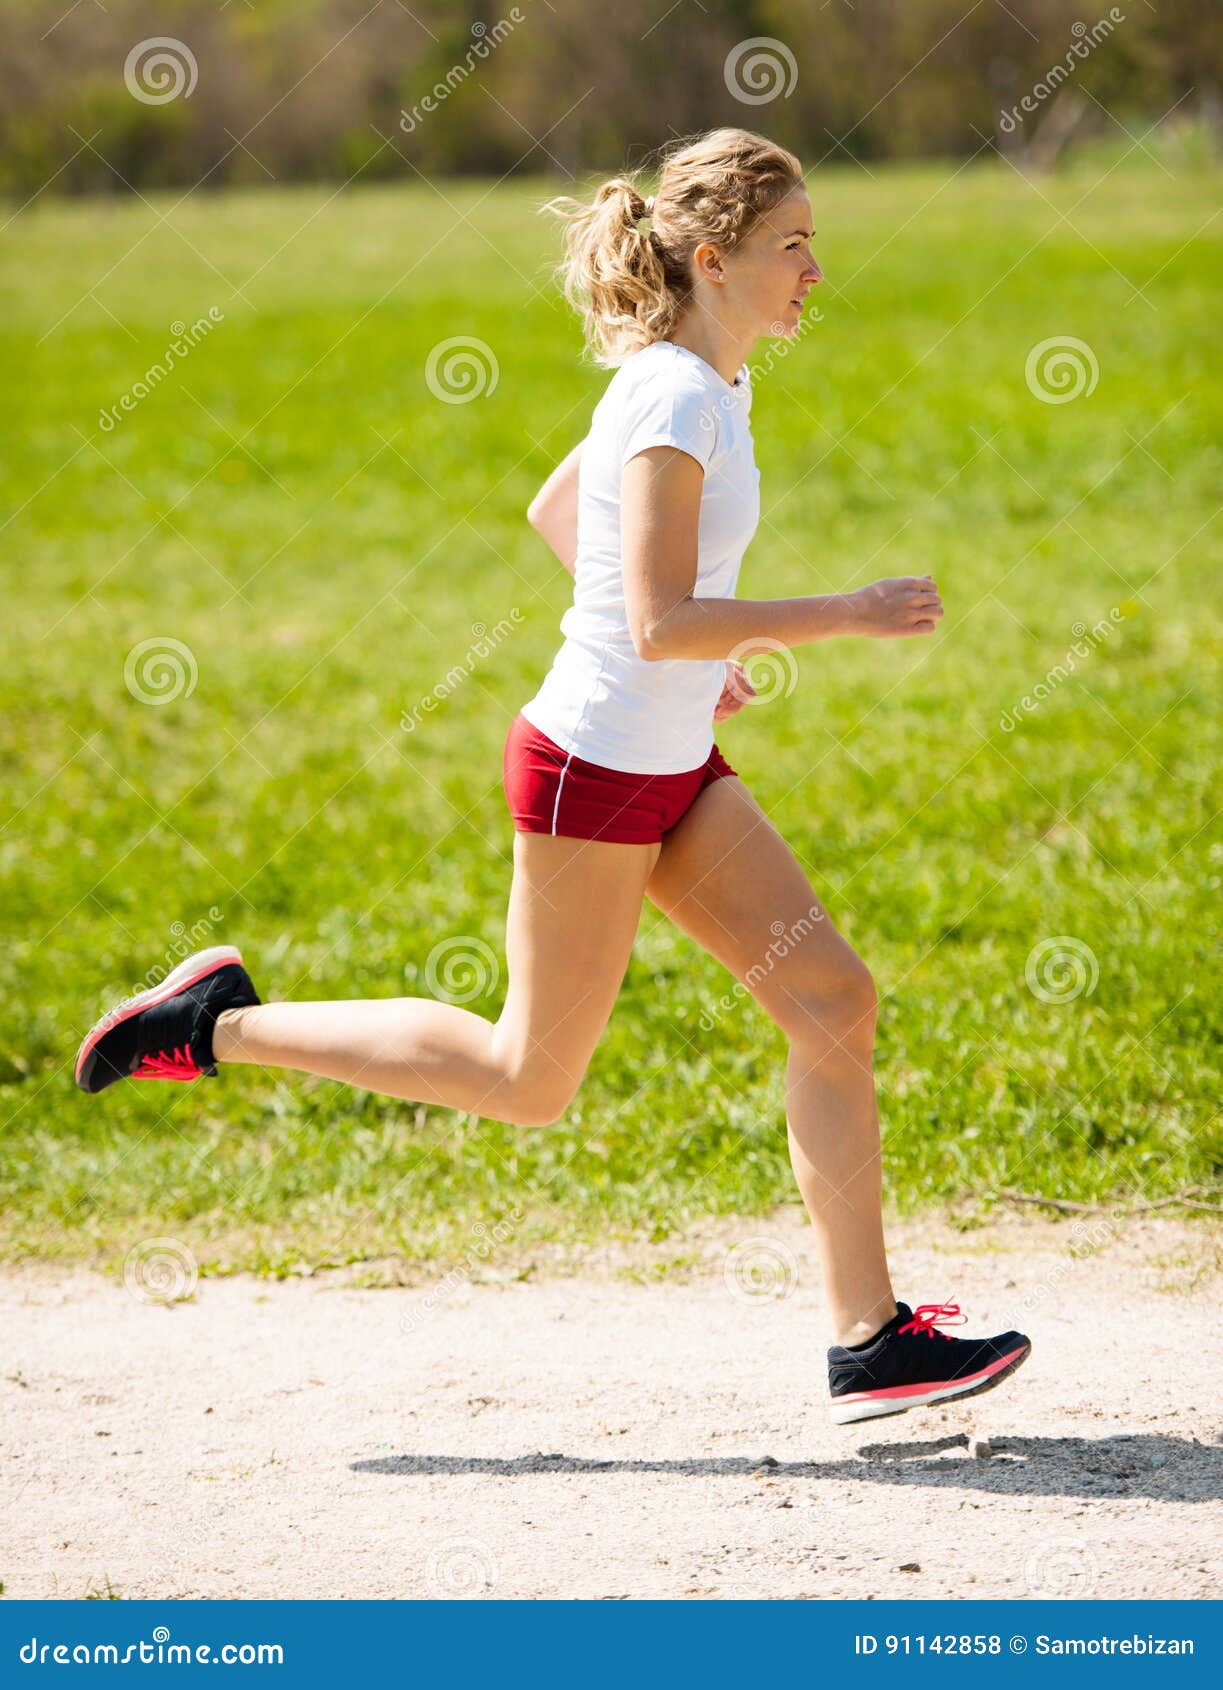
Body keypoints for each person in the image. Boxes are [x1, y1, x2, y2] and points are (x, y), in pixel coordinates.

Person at [75, 127, 1029, 1424]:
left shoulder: (703, 379)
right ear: (715, 258)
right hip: (591, 771)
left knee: (832, 999)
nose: (815, 271)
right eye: (794, 246)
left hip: (669, 760)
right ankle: (208, 1022)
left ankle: (869, 1336)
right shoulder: (679, 397)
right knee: (529, 1079)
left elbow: (557, 516)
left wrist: (705, 667)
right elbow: (651, 618)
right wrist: (838, 614)